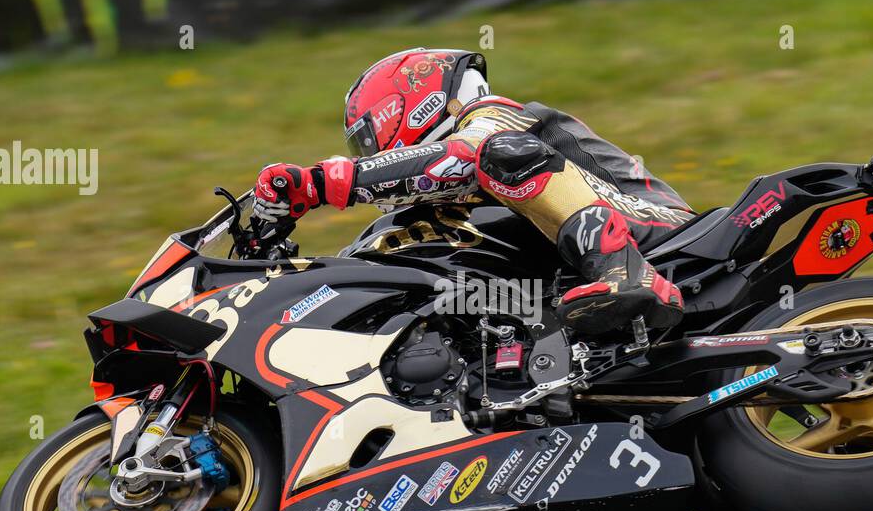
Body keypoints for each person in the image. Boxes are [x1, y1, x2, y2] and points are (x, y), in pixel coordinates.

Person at [251, 48, 695, 333]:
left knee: (502, 155)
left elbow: (461, 157)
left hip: (661, 232)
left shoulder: (493, 116)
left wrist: (321, 182)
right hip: (568, 265)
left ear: (409, 107)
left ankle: (625, 273)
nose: (370, 154)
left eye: (368, 141)